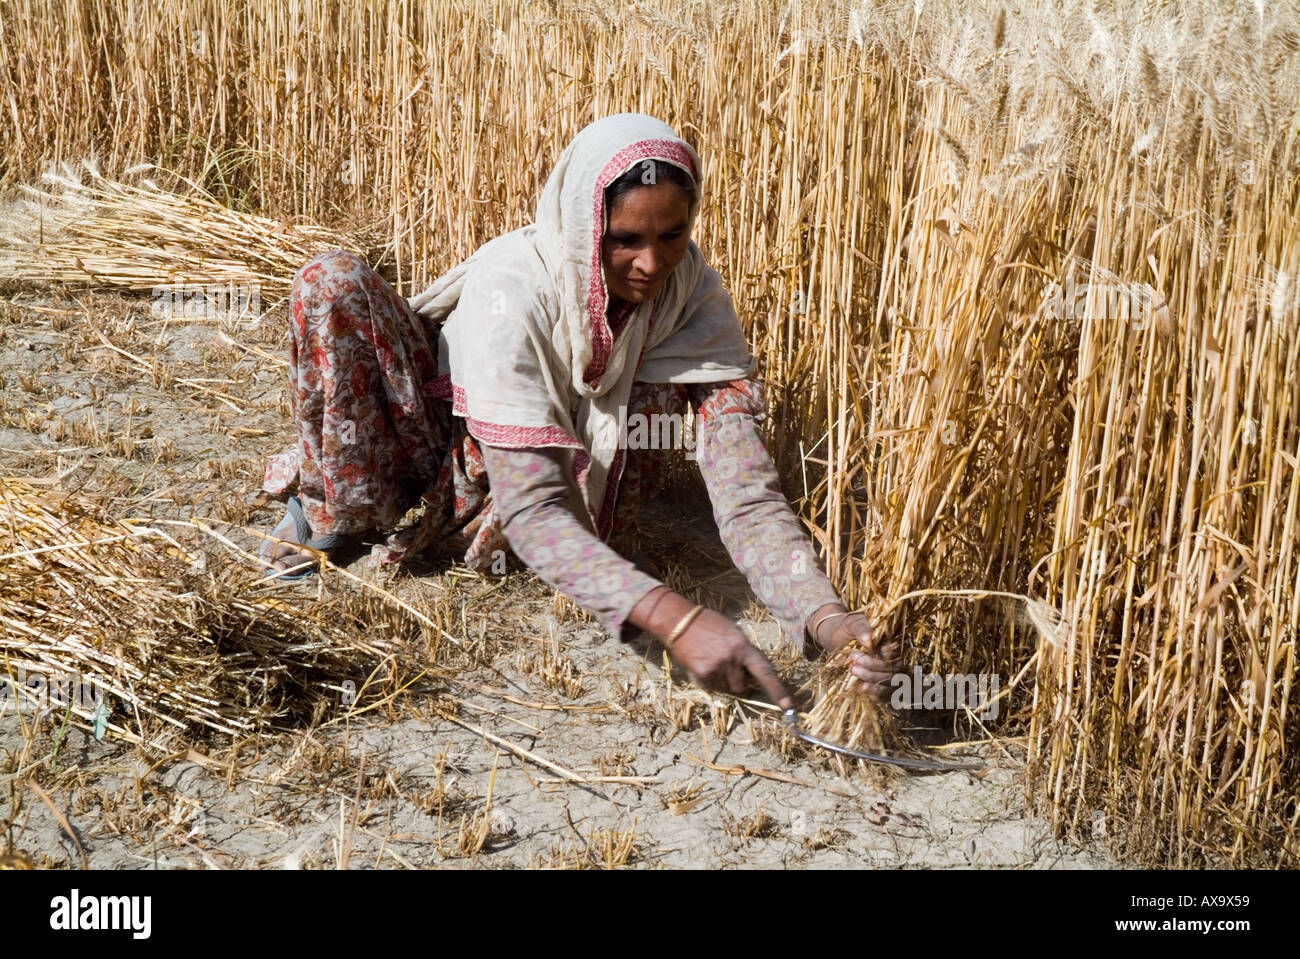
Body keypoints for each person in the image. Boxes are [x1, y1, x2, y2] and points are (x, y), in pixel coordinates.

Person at [260, 113, 900, 706]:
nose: (651, 265)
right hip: (453, 451)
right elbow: (534, 510)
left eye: (672, 235)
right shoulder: (515, 289)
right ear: (582, 223)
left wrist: (825, 618)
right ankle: (338, 510)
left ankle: (568, 540)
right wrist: (675, 619)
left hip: (561, 489)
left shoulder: (689, 295)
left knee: (650, 385)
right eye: (624, 240)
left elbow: (746, 495)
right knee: (331, 279)